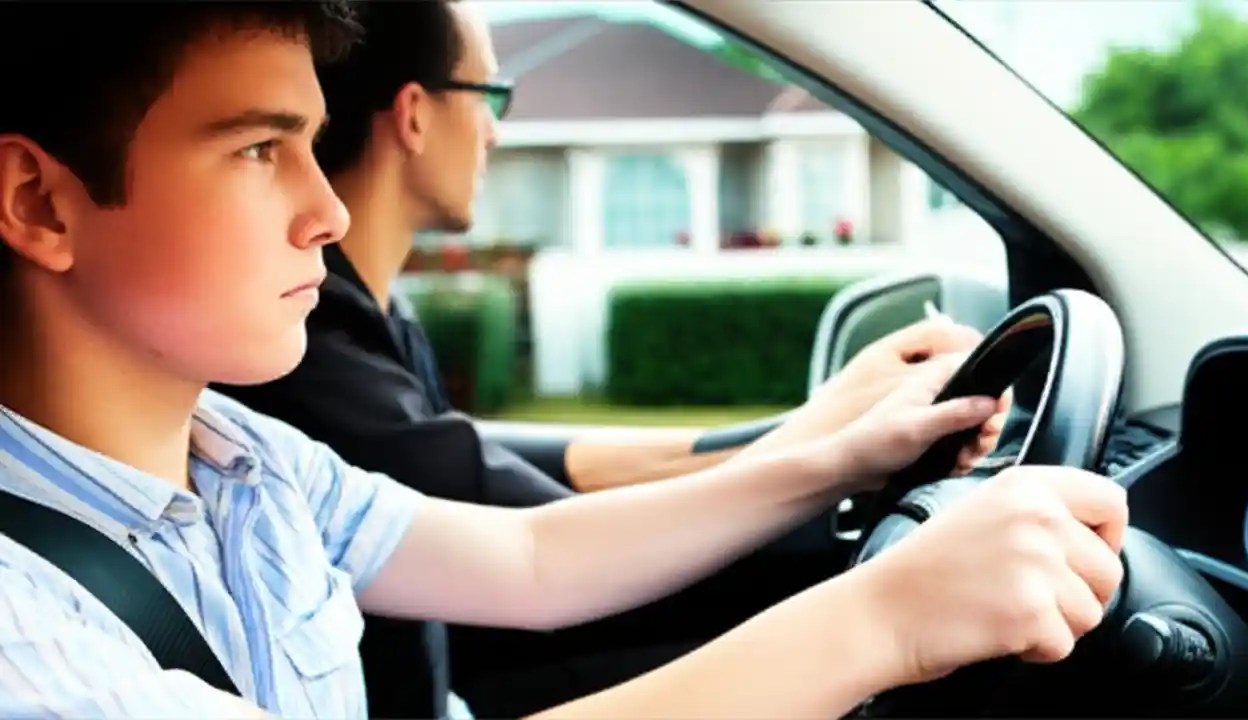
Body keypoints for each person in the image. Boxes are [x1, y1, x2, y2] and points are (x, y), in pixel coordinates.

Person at [0, 2, 1127, 719]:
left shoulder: (245, 457)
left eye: (309, 145)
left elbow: (532, 561)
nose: (327, 211)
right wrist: (886, 620)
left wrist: (843, 456)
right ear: (41, 202)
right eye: (257, 150)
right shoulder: (24, 630)